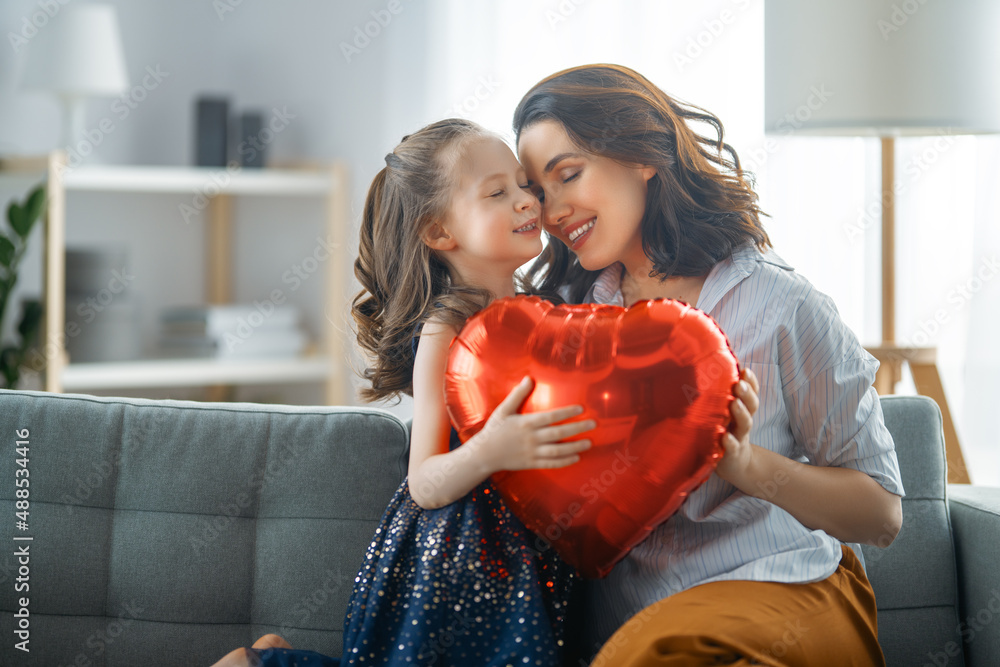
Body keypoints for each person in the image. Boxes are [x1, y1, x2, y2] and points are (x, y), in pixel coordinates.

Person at [514, 64, 905, 666]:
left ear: (642, 155)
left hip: (784, 587)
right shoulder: (567, 322)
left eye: (568, 175)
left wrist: (746, 466)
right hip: (635, 621)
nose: (554, 209)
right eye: (538, 193)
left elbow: (881, 514)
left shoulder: (781, 304)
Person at [211, 118, 599, 667]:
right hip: (459, 548)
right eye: (497, 192)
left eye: (523, 185)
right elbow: (424, 482)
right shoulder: (447, 328)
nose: (526, 201)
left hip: (536, 546)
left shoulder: (555, 311)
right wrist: (492, 450)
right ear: (440, 232)